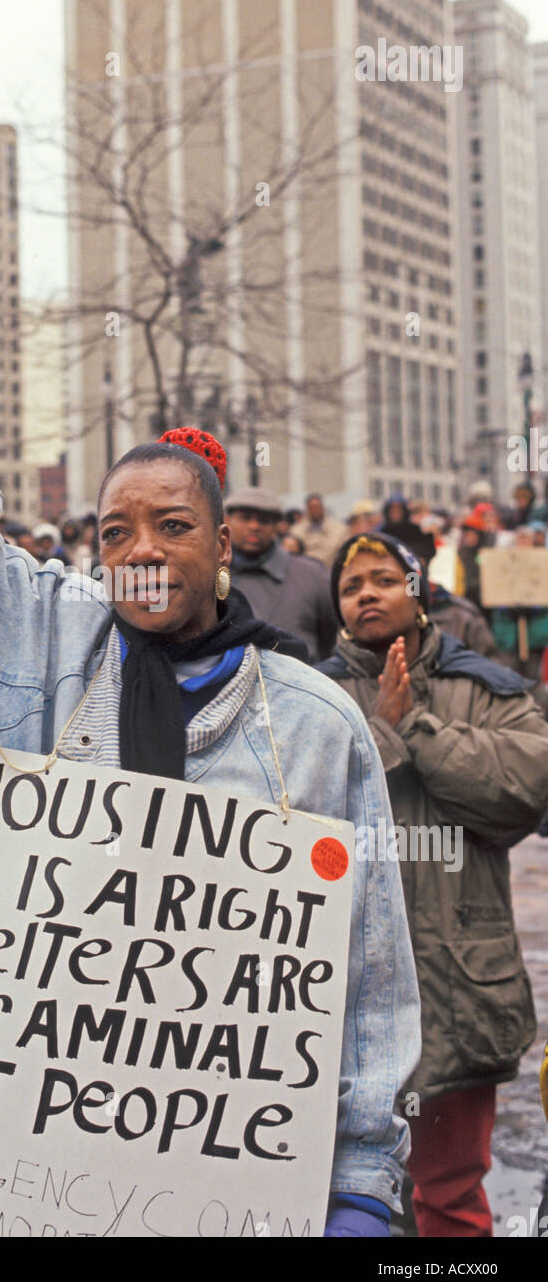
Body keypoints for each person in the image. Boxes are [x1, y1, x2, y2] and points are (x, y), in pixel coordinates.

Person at [0, 141, 422, 1238]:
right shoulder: (31, 642)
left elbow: (361, 967)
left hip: (211, 1177)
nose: (142, 550)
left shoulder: (313, 727)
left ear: (224, 545)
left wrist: (358, 1179)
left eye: (172, 525)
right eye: (114, 530)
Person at [316, 531, 548, 1237]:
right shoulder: (309, 696)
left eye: (383, 580)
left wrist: (410, 726)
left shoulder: (489, 688)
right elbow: (302, 817)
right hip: (347, 994)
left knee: (449, 1198)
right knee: (350, 1201)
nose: (366, 594)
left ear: (418, 596)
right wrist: (380, 734)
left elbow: (521, 793)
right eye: (351, 586)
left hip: (458, 986)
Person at [225, 487, 337, 663]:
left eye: (264, 520)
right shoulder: (210, 574)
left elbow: (331, 641)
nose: (254, 526)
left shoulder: (312, 575)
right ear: (227, 521)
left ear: (276, 525)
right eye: (245, 518)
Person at [289, 494, 347, 569]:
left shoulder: (340, 529)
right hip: (303, 572)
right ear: (307, 510)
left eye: (317, 507)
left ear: (323, 508)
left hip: (330, 571)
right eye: (312, 508)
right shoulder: (295, 531)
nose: (315, 510)